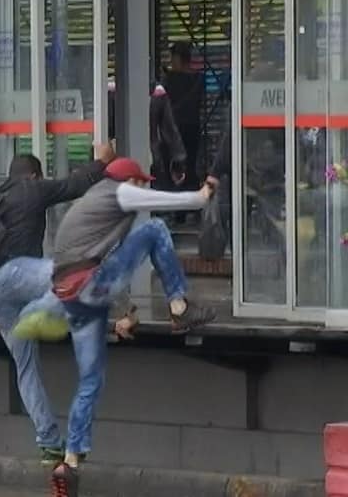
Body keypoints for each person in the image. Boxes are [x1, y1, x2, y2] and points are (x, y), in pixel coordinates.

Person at [14, 157, 217, 489]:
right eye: (142, 182)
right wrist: (201, 195)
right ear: (132, 181)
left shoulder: (87, 207)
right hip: (89, 285)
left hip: (74, 296)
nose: (144, 188)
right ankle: (179, 307)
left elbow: (100, 260)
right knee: (155, 229)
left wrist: (124, 312)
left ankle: (70, 462)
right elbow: (175, 202)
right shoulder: (118, 192)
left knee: (90, 380)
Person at [0, 144, 119, 464]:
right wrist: (103, 161)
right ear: (35, 175)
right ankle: (31, 314)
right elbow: (74, 185)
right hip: (11, 276)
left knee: (26, 368)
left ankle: (49, 441)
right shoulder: (30, 190)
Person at [163, 41, 204, 223]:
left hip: (177, 129)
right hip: (190, 128)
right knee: (189, 167)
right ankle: (192, 206)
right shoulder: (196, 79)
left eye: (173, 58)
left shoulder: (172, 80)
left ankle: (180, 208)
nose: (171, 61)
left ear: (179, 58)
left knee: (177, 169)